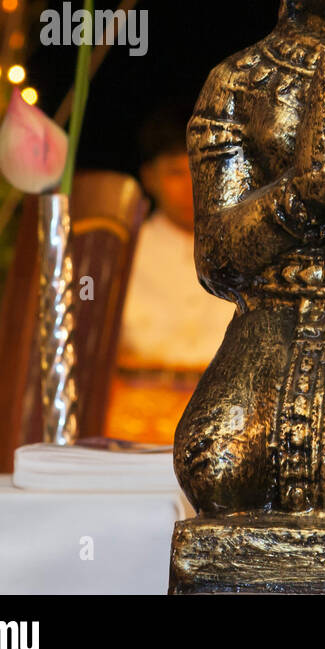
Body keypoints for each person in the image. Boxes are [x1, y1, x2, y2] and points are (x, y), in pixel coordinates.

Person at [104, 103, 235, 444]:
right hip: (134, 429)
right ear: (150, 178)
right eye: (176, 173)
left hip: (227, 425)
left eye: (200, 170)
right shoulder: (122, 255)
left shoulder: (246, 253)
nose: (190, 186)